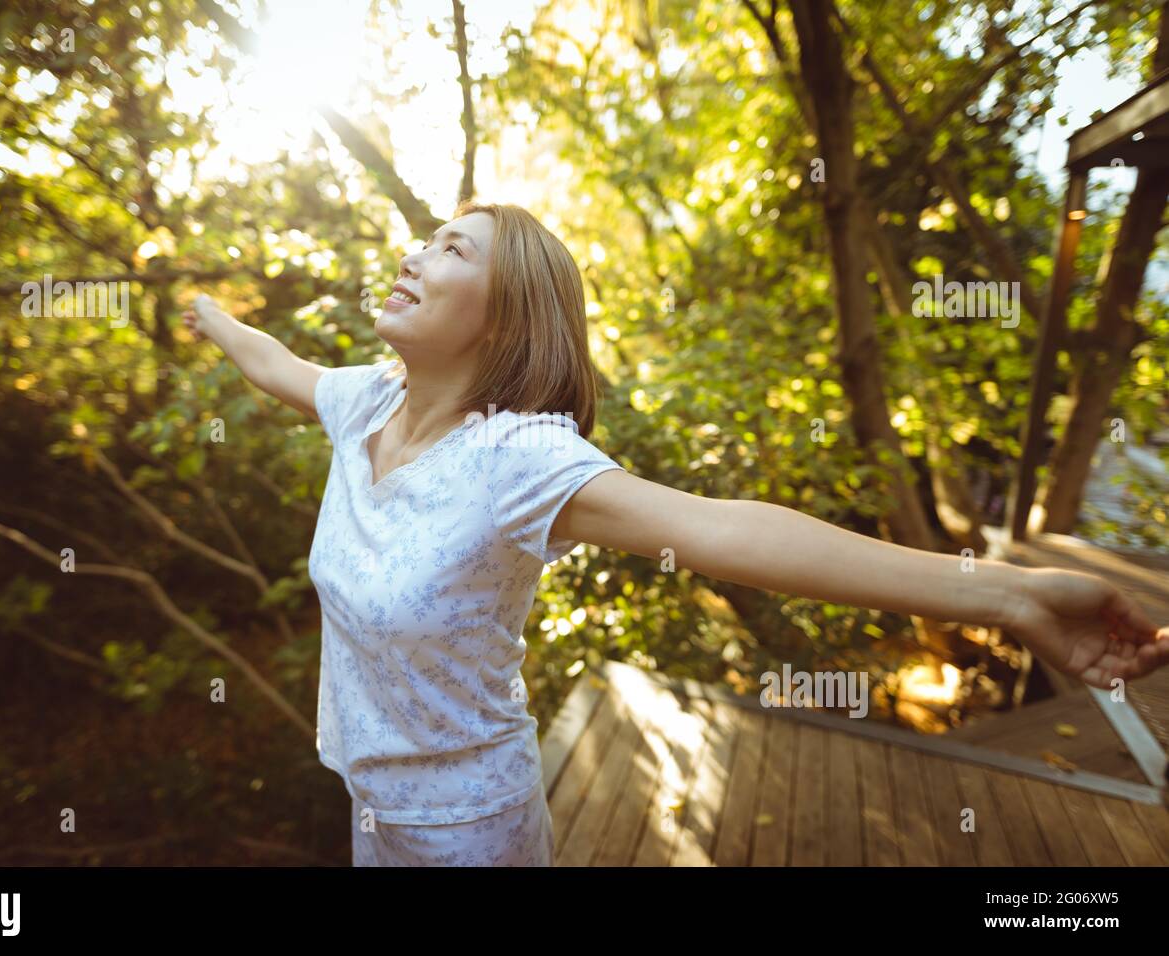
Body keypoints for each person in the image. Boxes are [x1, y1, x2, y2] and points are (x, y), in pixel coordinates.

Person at [183, 200, 1169, 867]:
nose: (413, 254)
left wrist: (1010, 592)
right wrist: (202, 310)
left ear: (503, 316)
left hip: (467, 830)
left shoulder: (513, 460)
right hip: (366, 801)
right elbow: (272, 362)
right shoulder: (365, 404)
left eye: (452, 249)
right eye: (425, 237)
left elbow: (714, 527)